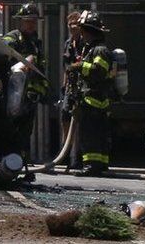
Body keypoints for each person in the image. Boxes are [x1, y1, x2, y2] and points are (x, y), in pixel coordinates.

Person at [68, 10, 114, 177]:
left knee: (90, 134)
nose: (82, 34)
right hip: (95, 100)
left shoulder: (99, 50)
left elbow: (98, 71)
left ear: (89, 31)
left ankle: (91, 165)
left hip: (94, 101)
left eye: (83, 30)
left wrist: (80, 67)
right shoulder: (92, 49)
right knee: (98, 134)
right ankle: (100, 164)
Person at [2, 3, 49, 163]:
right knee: (11, 131)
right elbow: (3, 53)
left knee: (25, 133)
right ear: (20, 21)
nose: (31, 24)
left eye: (33, 21)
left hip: (30, 97)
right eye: (28, 21)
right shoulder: (12, 38)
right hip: (13, 95)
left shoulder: (36, 43)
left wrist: (42, 92)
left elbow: (41, 69)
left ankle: (23, 164)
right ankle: (9, 163)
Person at [60, 10, 84, 171]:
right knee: (65, 116)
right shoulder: (68, 44)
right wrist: (64, 86)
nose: (72, 27)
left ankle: (78, 157)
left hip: (83, 89)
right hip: (70, 88)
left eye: (75, 24)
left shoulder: (86, 44)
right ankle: (66, 153)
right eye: (70, 24)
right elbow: (67, 68)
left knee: (80, 122)